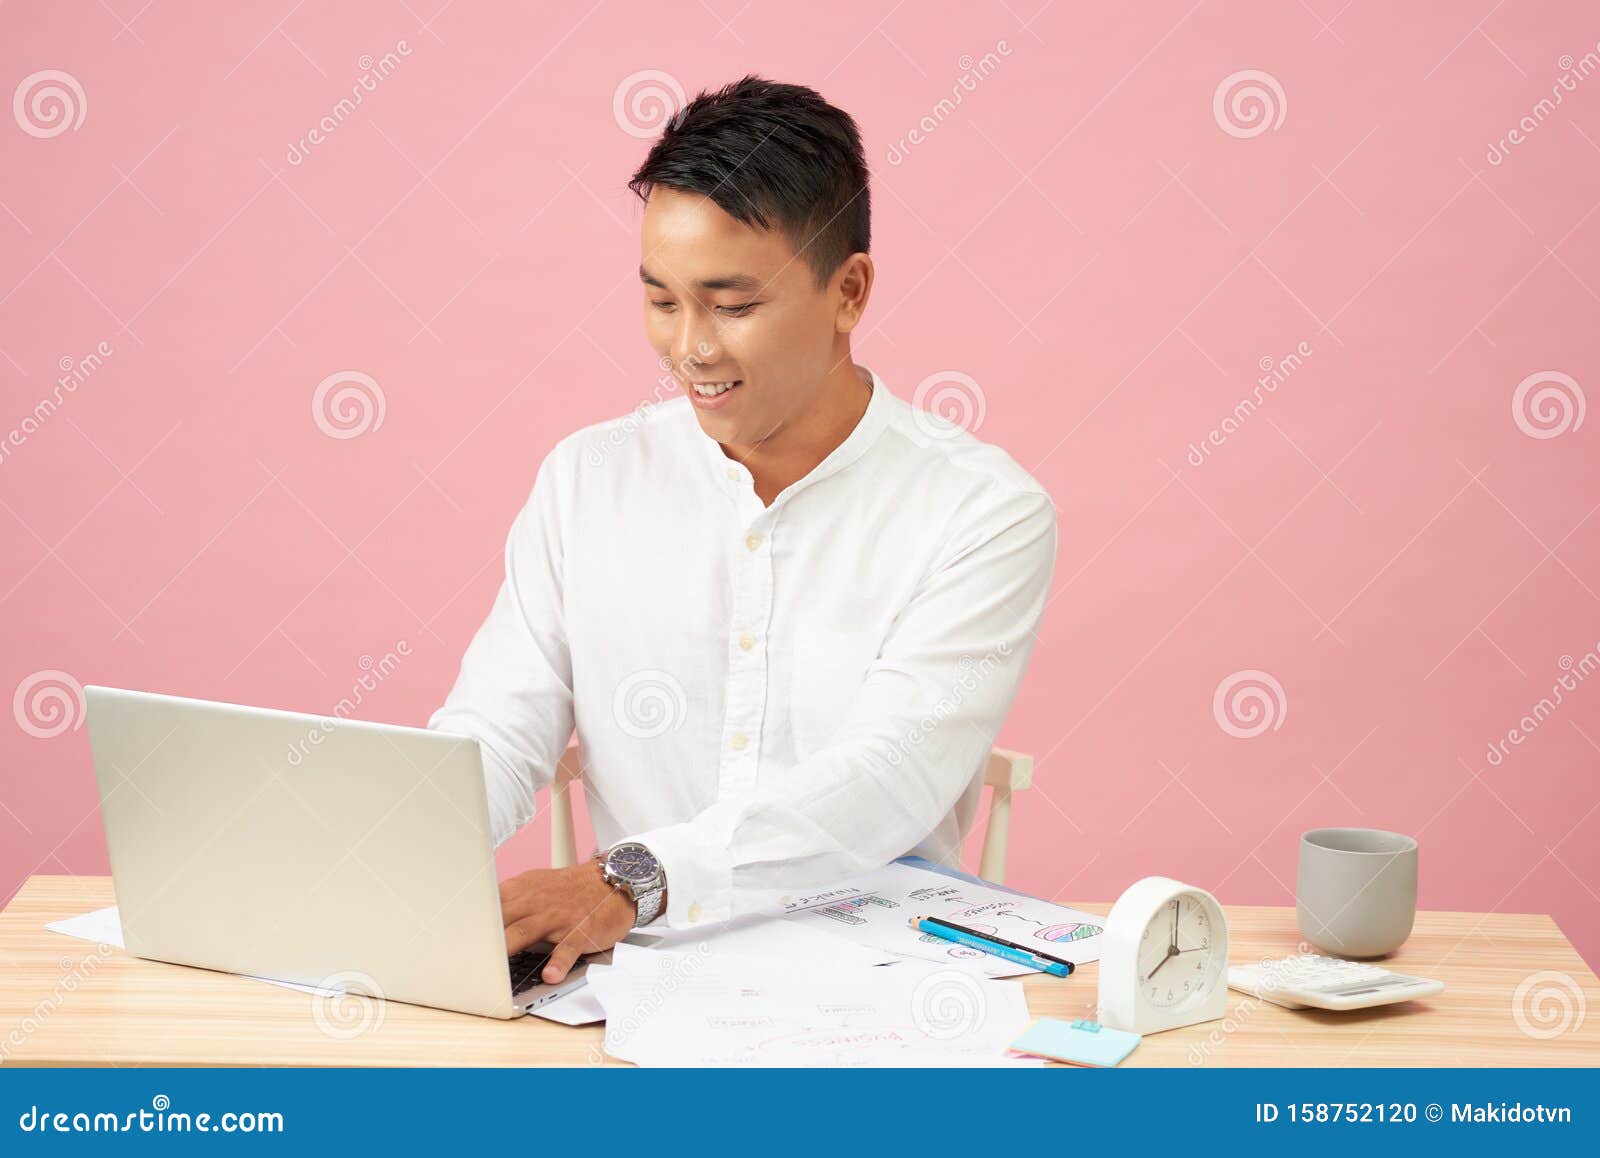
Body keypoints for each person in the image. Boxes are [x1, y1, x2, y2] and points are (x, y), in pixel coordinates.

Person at [428, 75, 1056, 984]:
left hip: (883, 988)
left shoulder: (980, 511)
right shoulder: (588, 481)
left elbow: (887, 776)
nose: (691, 348)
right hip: (634, 980)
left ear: (849, 291)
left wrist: (631, 880)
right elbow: (498, 729)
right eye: (661, 300)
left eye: (733, 305)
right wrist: (382, 855)